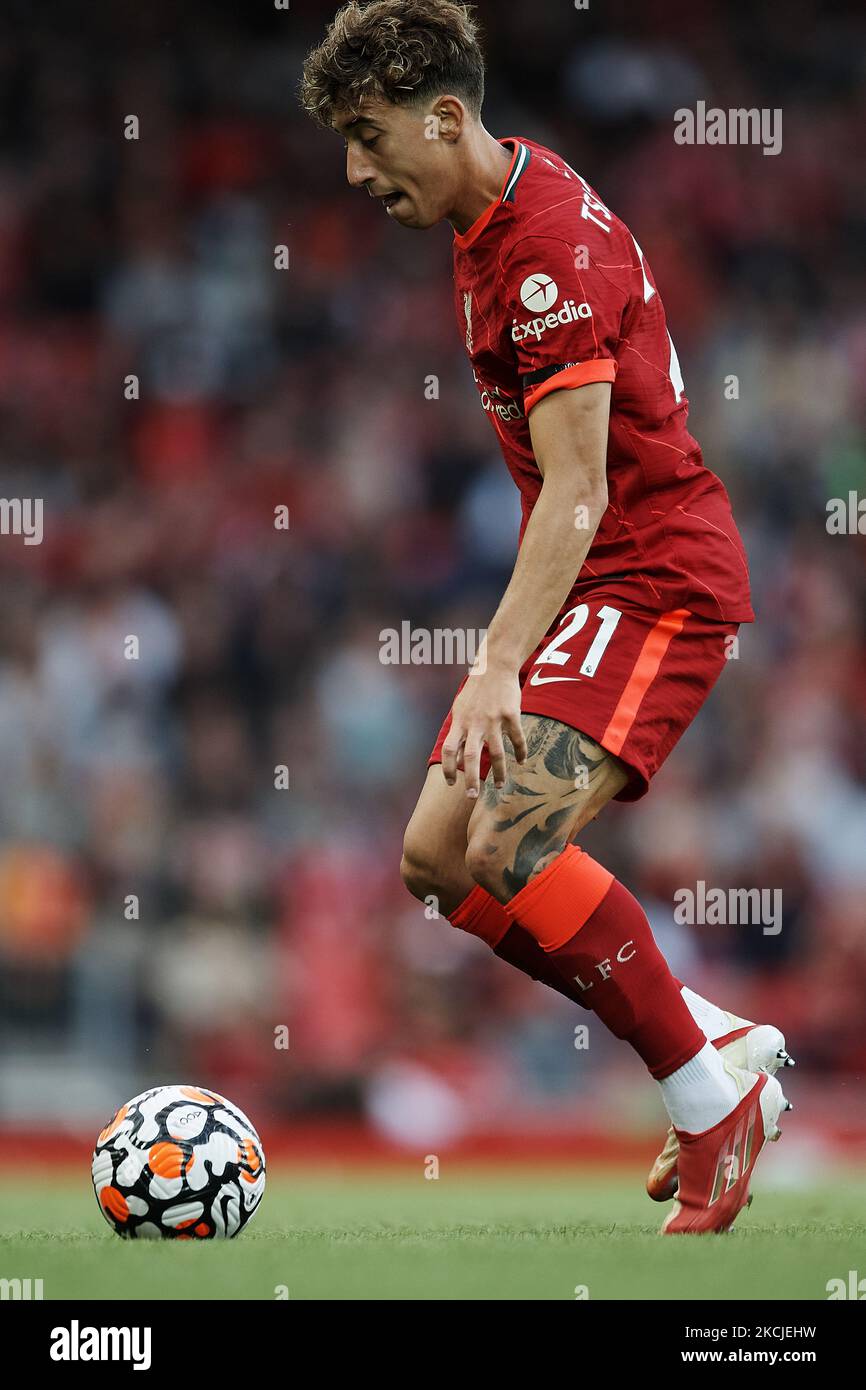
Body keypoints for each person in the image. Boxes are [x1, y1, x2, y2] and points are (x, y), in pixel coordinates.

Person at [299, 0, 793, 1233]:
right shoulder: (493, 211)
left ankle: (703, 1101)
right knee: (432, 860)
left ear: (446, 115)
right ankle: (711, 1036)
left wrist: (490, 667)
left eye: (370, 137)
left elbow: (576, 492)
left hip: (656, 583)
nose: (356, 172)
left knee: (503, 845)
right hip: (599, 585)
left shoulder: (540, 251)